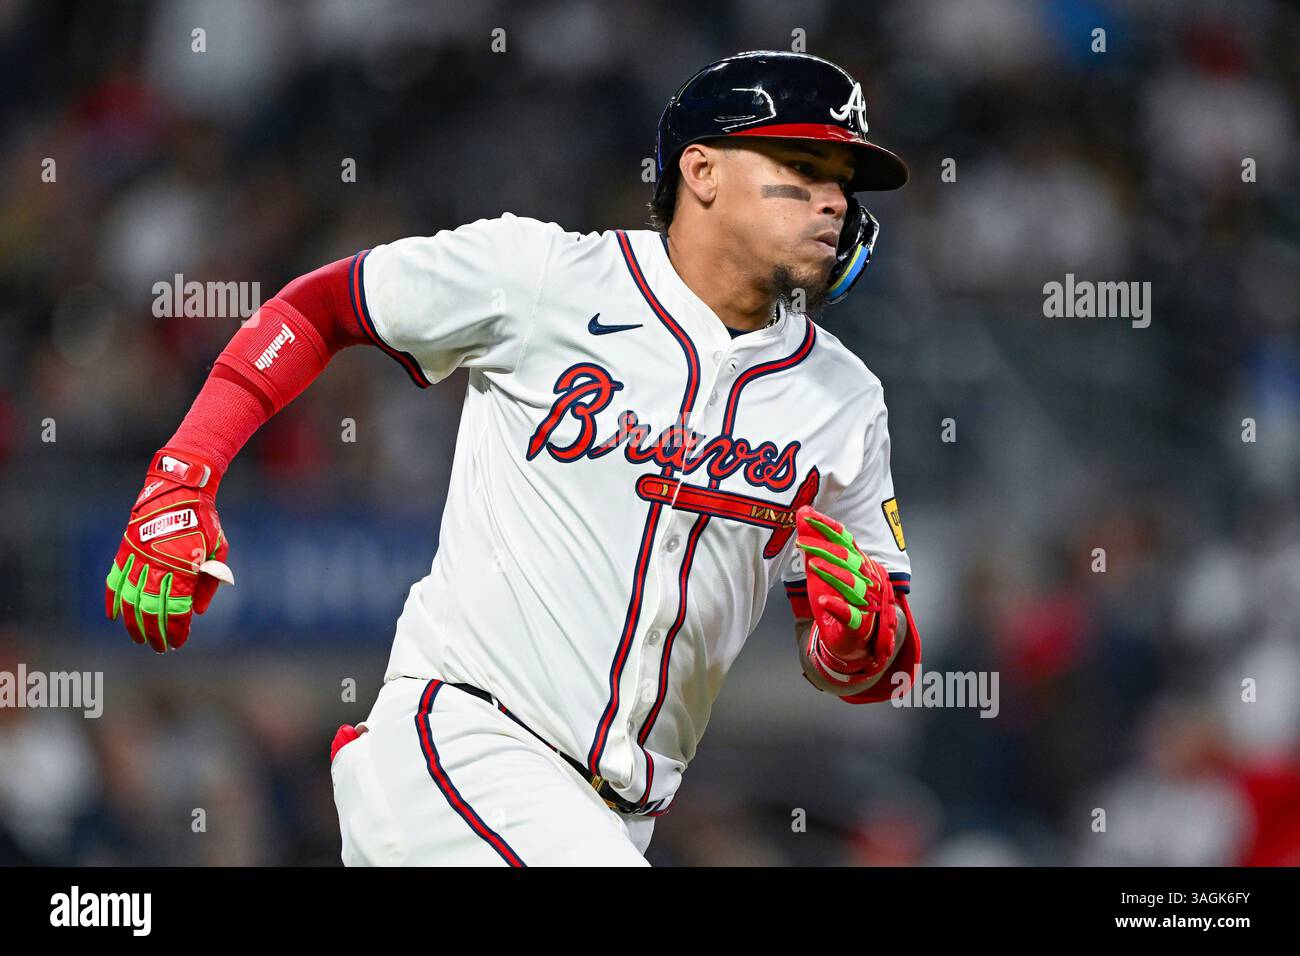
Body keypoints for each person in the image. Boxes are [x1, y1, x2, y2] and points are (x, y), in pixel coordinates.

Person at [104, 50, 921, 866]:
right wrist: (185, 473)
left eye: (843, 179)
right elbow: (320, 307)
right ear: (702, 171)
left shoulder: (844, 400)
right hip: (461, 749)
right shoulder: (545, 277)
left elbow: (875, 663)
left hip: (613, 817)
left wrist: (854, 648)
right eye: (803, 166)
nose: (833, 200)